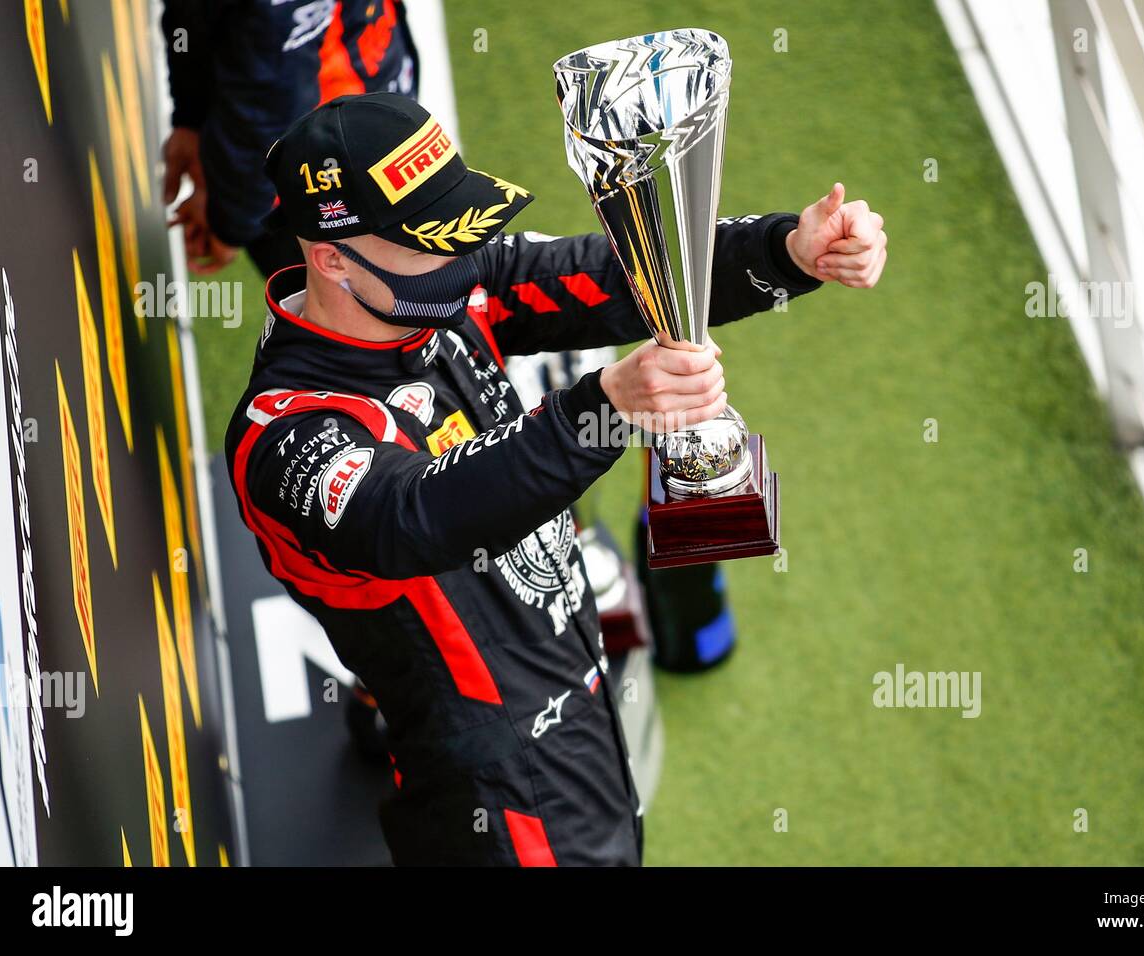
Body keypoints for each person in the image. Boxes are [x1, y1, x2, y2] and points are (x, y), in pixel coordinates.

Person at [223, 92, 887, 866]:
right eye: (431, 240)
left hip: (576, 713)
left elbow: (604, 274)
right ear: (333, 257)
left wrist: (782, 253)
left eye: (460, 225)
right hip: (500, 797)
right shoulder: (289, 433)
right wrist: (600, 408)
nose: (462, 256)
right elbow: (419, 515)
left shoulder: (445, 290)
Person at [160, 0, 418, 277]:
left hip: (325, 171)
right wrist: (192, 117)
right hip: (356, 115)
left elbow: (272, 105)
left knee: (367, 307)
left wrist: (232, 219)